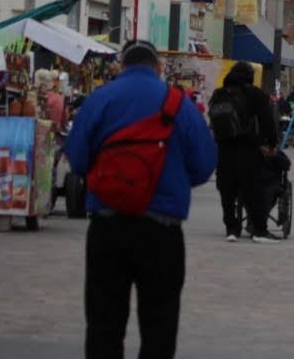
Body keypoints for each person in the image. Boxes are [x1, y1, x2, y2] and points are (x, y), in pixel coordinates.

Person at [65, 39, 217, 359]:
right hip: (161, 228)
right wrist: (170, 179)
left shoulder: (100, 99)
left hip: (107, 225)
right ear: (158, 68)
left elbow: (77, 160)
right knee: (159, 324)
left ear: (121, 67)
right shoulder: (178, 104)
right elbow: (204, 164)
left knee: (104, 322)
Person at [208, 61, 281, 243]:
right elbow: (267, 121)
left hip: (224, 149)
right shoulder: (254, 94)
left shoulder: (219, 94)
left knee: (227, 191)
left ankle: (231, 229)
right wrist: (271, 143)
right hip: (248, 148)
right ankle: (258, 230)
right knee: (253, 190)